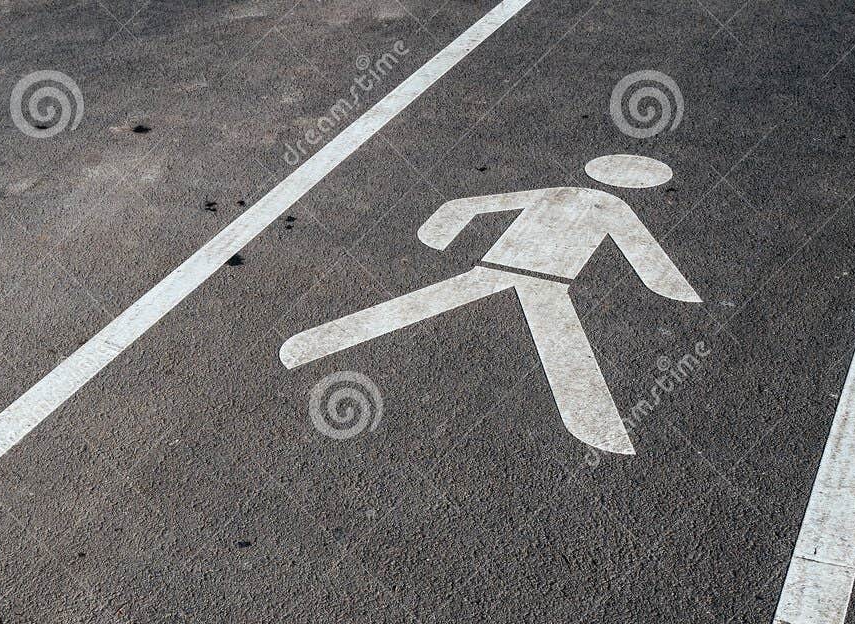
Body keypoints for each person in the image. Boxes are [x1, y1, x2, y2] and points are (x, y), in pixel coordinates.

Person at [280, 154, 699, 455]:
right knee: (561, 342)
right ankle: (597, 426)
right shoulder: (609, 205)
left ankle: (311, 346)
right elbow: (644, 253)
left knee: (430, 303)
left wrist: (439, 233)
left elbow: (469, 206)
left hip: (514, 270)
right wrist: (673, 290)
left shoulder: (568, 195)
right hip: (540, 277)